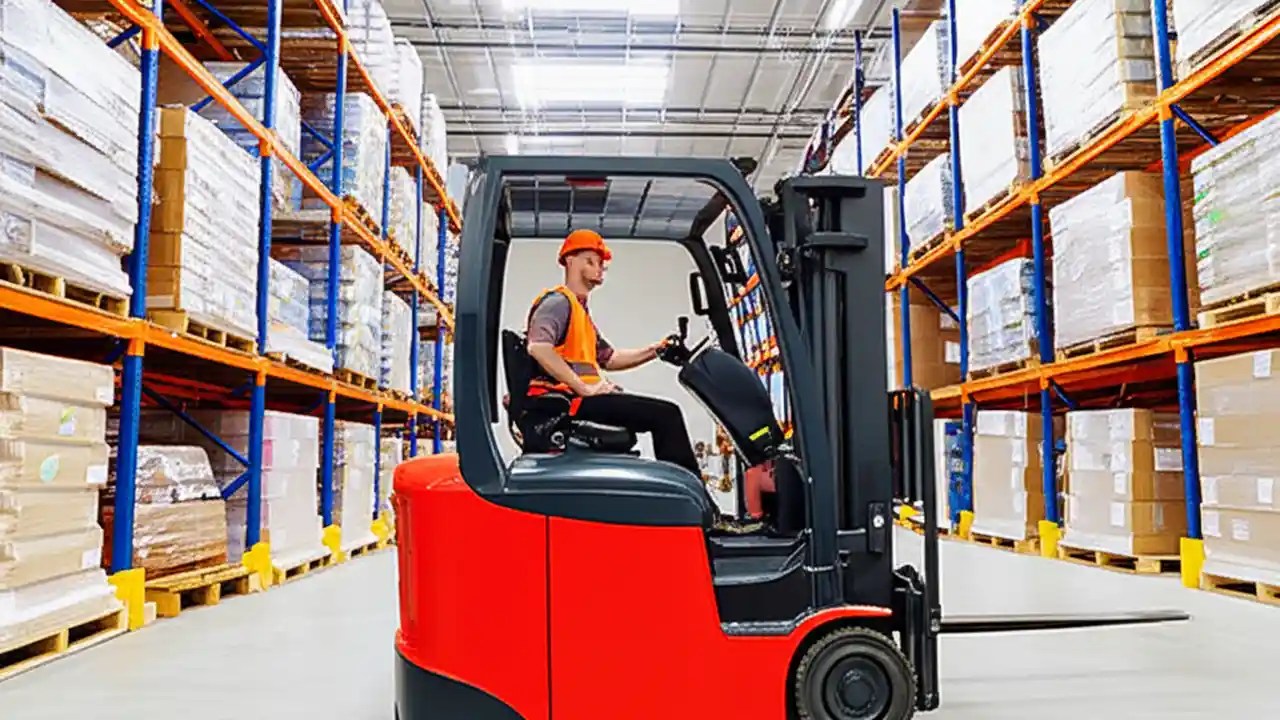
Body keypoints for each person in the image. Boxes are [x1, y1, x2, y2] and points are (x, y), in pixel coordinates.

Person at [524, 228, 701, 476]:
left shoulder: (579, 311)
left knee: (661, 413)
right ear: (569, 261)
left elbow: (609, 358)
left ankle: (682, 496)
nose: (598, 268)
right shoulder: (558, 303)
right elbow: (538, 348)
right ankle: (692, 499)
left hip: (580, 399)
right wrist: (584, 388)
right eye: (590, 261)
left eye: (601, 264)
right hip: (568, 403)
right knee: (666, 415)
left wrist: (656, 350)